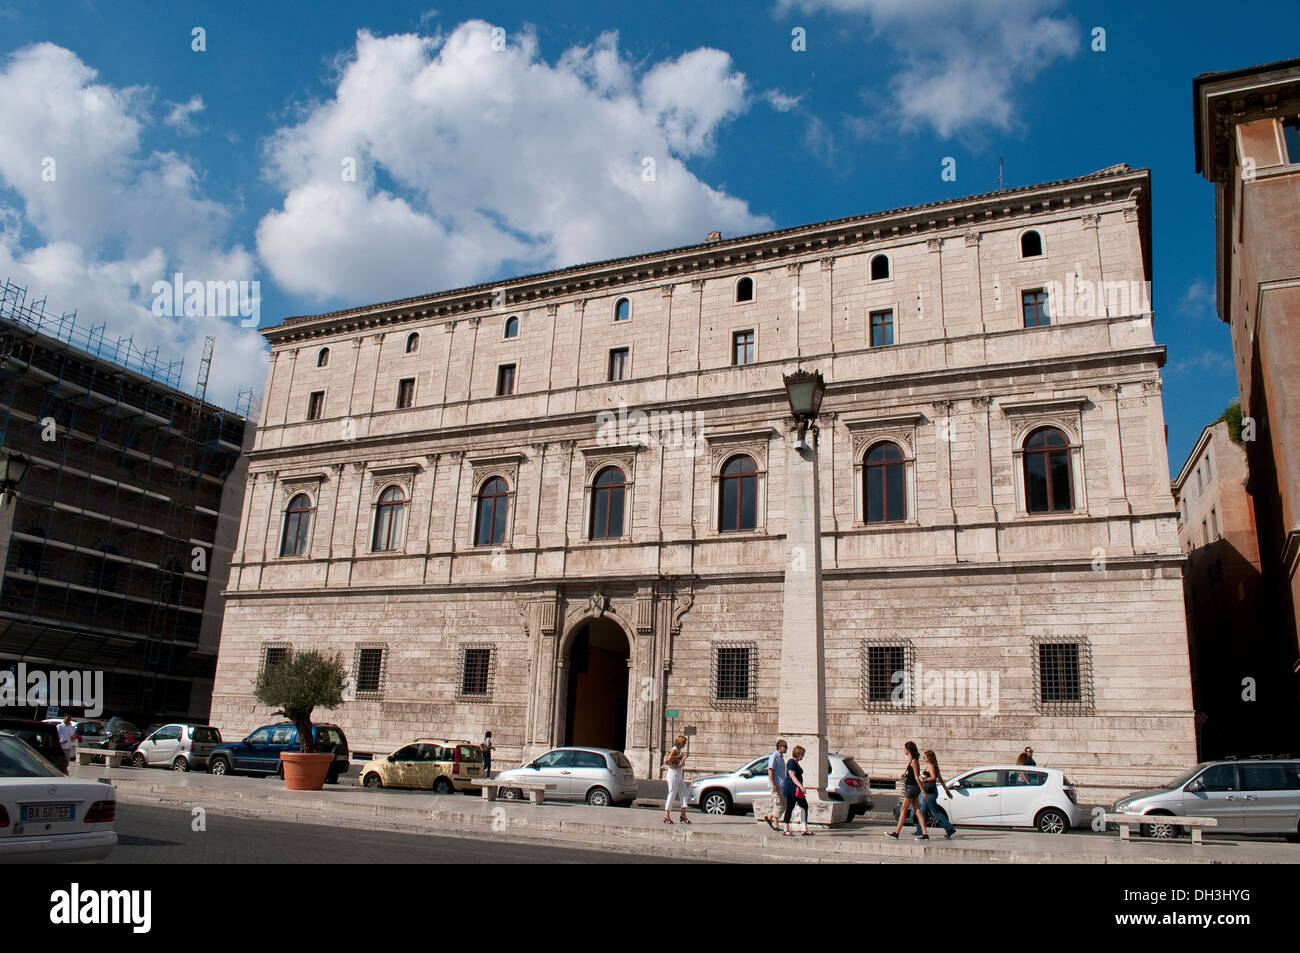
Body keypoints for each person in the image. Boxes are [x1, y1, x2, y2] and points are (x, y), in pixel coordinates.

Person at [887, 741, 928, 840]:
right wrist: (906, 775)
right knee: (917, 811)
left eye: (905, 748)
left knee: (903, 810)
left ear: (908, 750)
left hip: (911, 787)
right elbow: (912, 774)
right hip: (912, 786)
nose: (904, 750)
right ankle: (925, 833)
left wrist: (922, 790)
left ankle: (896, 832)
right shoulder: (912, 760)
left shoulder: (914, 761)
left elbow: (916, 776)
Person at [915, 750, 956, 839]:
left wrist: (924, 780)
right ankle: (920, 830)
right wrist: (946, 791)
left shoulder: (931, 766)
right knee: (922, 811)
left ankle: (949, 828)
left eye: (925, 757)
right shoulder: (933, 766)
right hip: (930, 792)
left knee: (934, 812)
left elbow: (933, 777)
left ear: (929, 757)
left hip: (930, 792)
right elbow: (940, 779)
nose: (924, 758)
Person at [782, 745, 812, 836]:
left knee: (804, 806)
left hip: (796, 789)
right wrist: (801, 786)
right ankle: (786, 828)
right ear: (798, 754)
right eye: (802, 754)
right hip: (792, 789)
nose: (803, 756)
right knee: (790, 807)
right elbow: (792, 776)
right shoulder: (791, 762)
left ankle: (804, 828)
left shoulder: (795, 762)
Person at [663, 734, 690, 824]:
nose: (685, 744)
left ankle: (683, 815)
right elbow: (668, 760)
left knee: (685, 793)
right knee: (672, 793)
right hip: (673, 775)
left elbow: (675, 763)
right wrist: (679, 757)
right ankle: (666, 815)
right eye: (684, 742)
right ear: (680, 742)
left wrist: (681, 762)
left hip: (678, 775)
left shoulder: (678, 750)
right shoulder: (674, 749)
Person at [764, 739, 788, 831]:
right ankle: (775, 824)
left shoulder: (781, 757)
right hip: (776, 785)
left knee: (784, 805)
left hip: (782, 785)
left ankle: (769, 817)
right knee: (778, 804)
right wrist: (773, 784)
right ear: (780, 747)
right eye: (785, 746)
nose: (786, 749)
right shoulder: (774, 756)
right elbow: (770, 770)